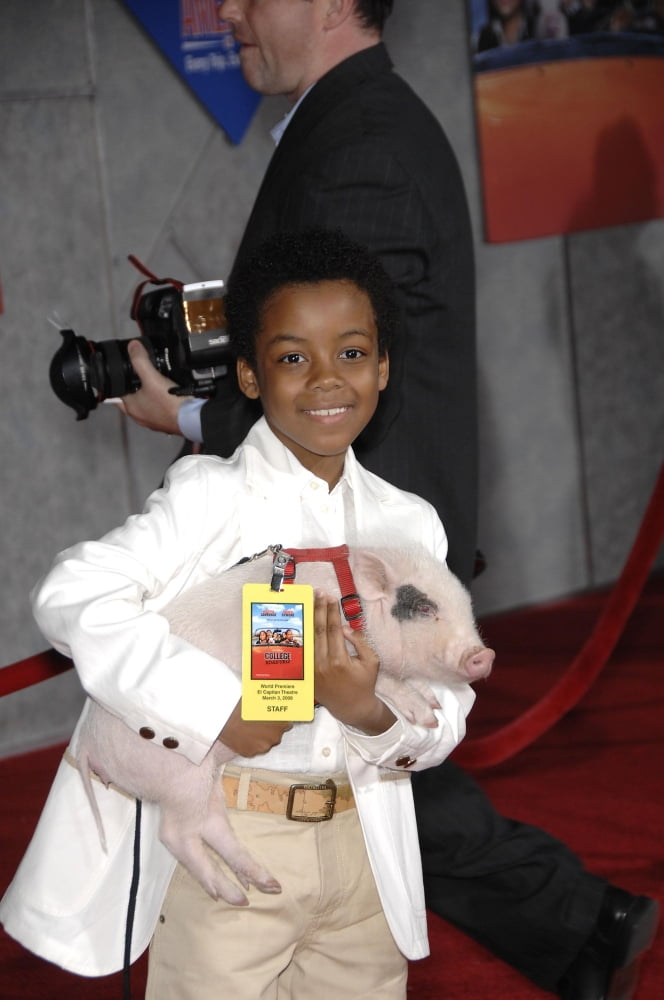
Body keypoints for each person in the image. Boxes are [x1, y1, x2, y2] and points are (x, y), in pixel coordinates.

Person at [111, 1, 660, 996]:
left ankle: (577, 922)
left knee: (307, 758)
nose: (227, 9)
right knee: (334, 753)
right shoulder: (355, 126)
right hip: (339, 546)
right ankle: (579, 925)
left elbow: (331, 389)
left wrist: (188, 417)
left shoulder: (361, 143)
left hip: (340, 551)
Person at [0, 228, 476, 998]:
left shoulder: (409, 523)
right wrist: (215, 707)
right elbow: (72, 592)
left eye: (352, 352)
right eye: (292, 358)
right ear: (249, 375)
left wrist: (370, 712)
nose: (327, 379)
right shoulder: (211, 498)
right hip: (229, 837)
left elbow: (448, 709)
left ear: (384, 365)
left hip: (364, 847)